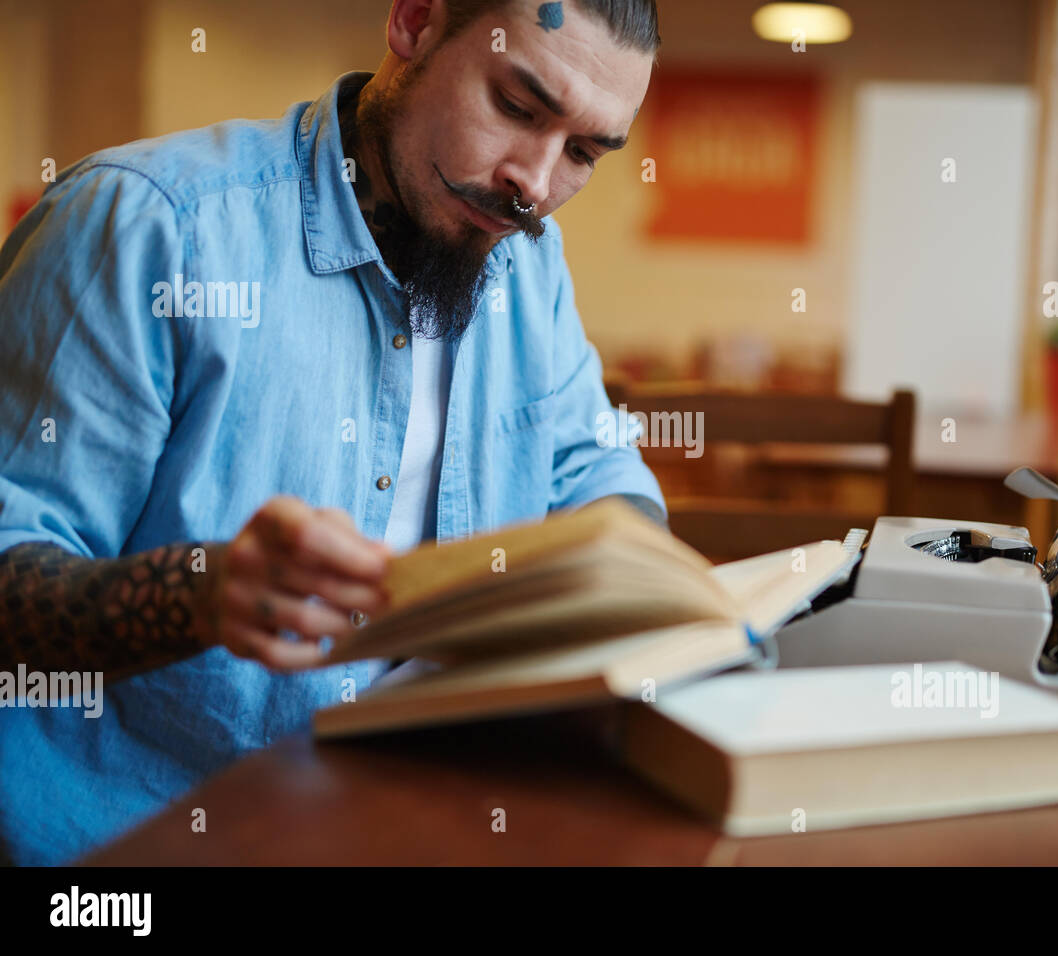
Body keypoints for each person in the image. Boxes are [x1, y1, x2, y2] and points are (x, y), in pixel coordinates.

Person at [0, 0, 663, 865]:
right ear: (415, 25)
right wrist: (198, 592)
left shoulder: (527, 265)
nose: (535, 184)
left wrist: (636, 580)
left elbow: (597, 476)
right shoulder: (147, 226)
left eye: (582, 152)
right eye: (517, 107)